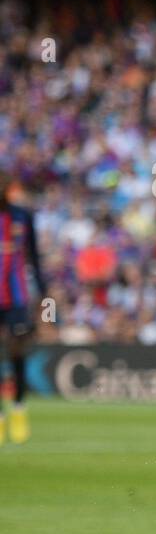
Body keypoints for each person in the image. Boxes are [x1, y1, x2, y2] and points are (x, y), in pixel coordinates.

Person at [0, 177, 45, 446]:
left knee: (17, 351)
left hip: (16, 296)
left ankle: (18, 408)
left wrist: (43, 291)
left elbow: (34, 256)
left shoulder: (22, 217)